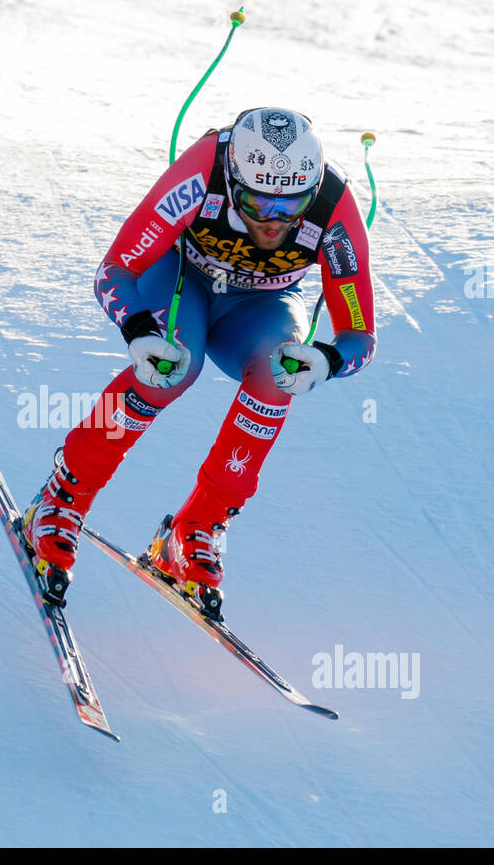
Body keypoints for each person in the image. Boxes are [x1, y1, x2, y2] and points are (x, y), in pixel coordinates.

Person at [22, 107, 376, 613]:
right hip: (181, 275)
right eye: (257, 200)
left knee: (280, 377)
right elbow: (115, 270)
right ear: (232, 180)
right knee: (170, 369)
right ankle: (62, 500)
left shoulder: (333, 209)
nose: (273, 220)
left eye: (291, 204)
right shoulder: (202, 170)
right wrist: (138, 329)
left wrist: (327, 360)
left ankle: (195, 530)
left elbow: (360, 333)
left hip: (258, 305)